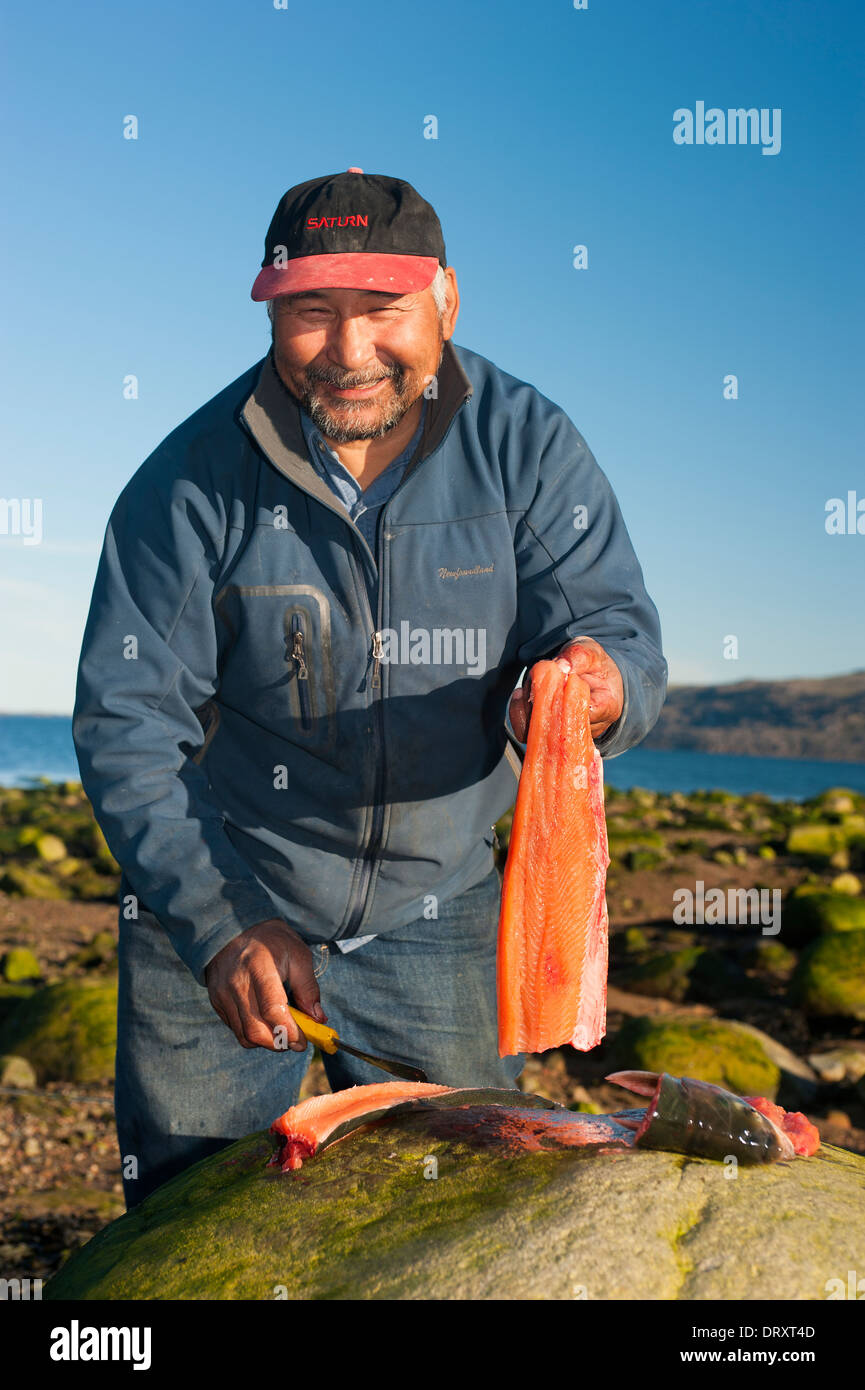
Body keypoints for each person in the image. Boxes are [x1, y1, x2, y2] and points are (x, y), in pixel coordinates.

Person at [72, 168, 667, 1207]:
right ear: (269, 309)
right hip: (226, 894)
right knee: (186, 1208)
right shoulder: (185, 485)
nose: (349, 352)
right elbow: (128, 722)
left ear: (444, 298)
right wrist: (218, 924)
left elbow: (616, 631)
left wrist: (597, 687)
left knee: (456, 1217)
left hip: (438, 916)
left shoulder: (526, 448)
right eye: (311, 310)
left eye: (382, 308)